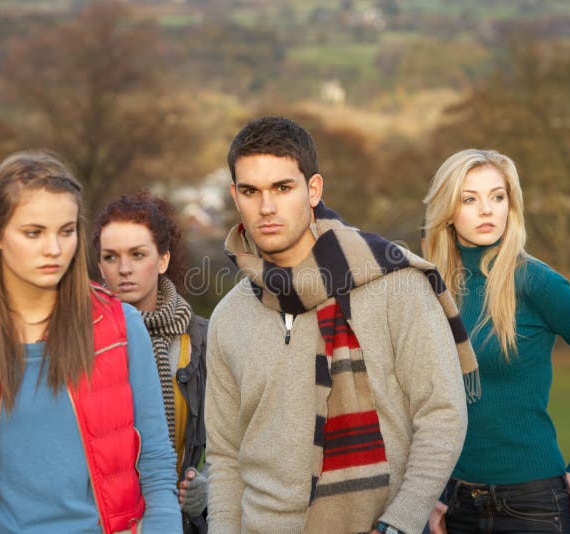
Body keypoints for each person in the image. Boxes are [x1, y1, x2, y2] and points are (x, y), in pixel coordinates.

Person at [204, 116, 477, 534]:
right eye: (250, 191)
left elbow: (442, 413)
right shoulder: (229, 316)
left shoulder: (394, 285)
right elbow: (224, 454)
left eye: (282, 187)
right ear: (234, 196)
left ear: (313, 190)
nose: (267, 208)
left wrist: (399, 524)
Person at [0, 151, 181, 534]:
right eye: (34, 233)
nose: (54, 249)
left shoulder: (120, 328)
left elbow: (156, 466)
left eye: (66, 231)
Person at [423, 149, 570, 534]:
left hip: (534, 504)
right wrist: (432, 490)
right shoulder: (430, 289)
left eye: (497, 197)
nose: (487, 210)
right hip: (456, 505)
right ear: (448, 209)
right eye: (470, 199)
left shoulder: (537, 282)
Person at [94, 192, 209, 534]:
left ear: (162, 260)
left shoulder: (201, 340)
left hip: (175, 519)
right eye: (111, 257)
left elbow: (230, 445)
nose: (124, 269)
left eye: (138, 255)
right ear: (99, 266)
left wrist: (205, 488)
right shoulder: (77, 337)